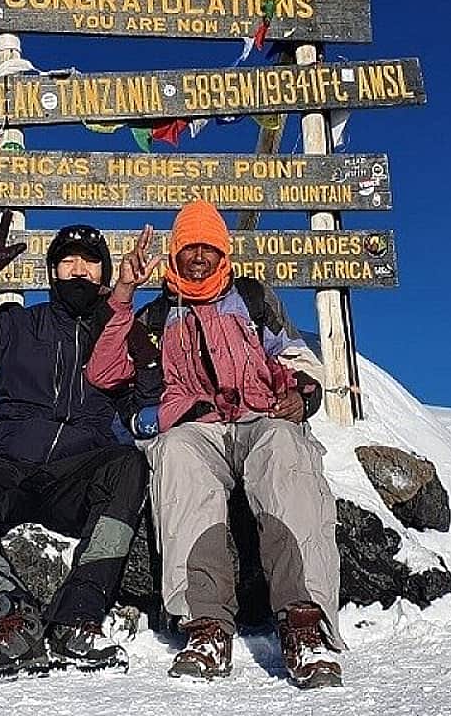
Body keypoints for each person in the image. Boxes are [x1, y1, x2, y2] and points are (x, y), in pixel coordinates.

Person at [86, 200, 347, 689]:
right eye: (190, 248)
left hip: (258, 416)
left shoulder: (250, 297)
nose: (200, 257)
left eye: (209, 247)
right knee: (176, 452)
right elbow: (104, 371)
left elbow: (291, 352)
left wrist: (302, 391)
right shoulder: (156, 315)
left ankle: (303, 621)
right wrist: (123, 294)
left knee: (285, 449)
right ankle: (205, 624)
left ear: (223, 251)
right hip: (198, 427)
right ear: (175, 252)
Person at [0, 201, 148, 687]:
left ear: (105, 272)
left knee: (128, 463)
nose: (78, 270)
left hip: (75, 480)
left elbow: (154, 393)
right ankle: (10, 613)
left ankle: (78, 617)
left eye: (89, 262)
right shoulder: (17, 325)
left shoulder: (120, 332)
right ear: (52, 272)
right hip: (9, 471)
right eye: (67, 262)